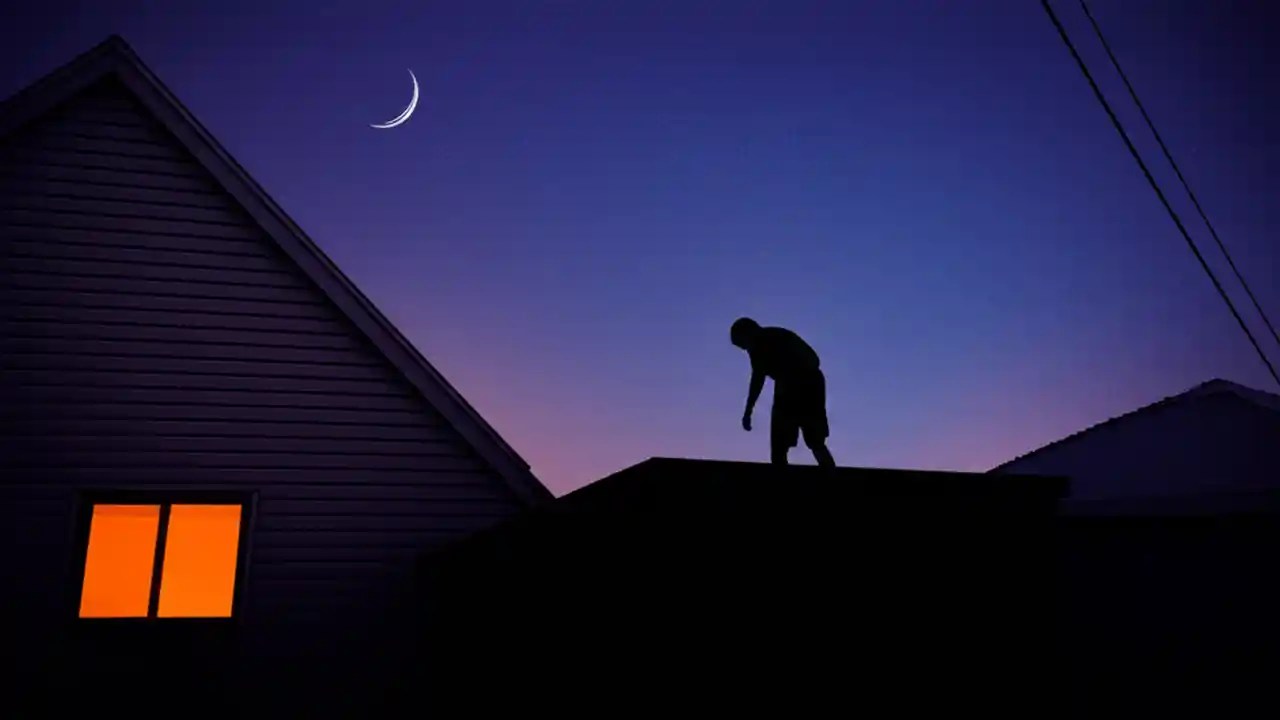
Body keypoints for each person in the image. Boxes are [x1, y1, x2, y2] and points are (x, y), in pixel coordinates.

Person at [730, 317, 835, 468]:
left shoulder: (766, 342)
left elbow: (757, 380)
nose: (745, 350)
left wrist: (748, 411)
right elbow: (758, 379)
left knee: (809, 440)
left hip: (805, 385)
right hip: (800, 385)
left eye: (743, 344)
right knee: (800, 442)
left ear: (748, 334)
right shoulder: (765, 342)